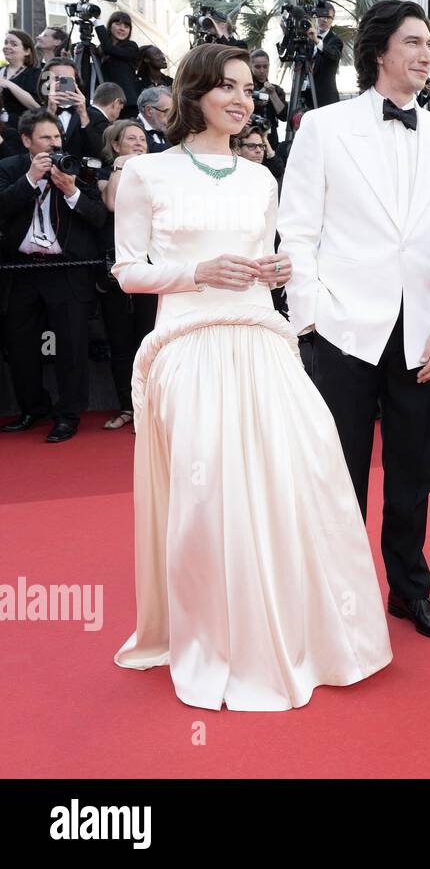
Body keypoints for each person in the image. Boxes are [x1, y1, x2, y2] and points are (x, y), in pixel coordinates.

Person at [110, 42, 391, 710]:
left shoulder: (262, 179)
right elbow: (126, 272)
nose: (241, 98)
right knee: (209, 496)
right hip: (188, 344)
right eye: (226, 86)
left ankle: (305, 635)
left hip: (263, 343)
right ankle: (216, 641)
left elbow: (266, 259)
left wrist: (278, 271)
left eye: (246, 87)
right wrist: (196, 273)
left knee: (304, 478)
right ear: (194, 92)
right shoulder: (144, 174)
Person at [279, 0, 430, 643]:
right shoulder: (324, 128)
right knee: (340, 470)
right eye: (414, 42)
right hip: (342, 327)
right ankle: (337, 597)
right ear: (379, 51)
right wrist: (308, 320)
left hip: (420, 331)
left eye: (429, 44)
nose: (425, 54)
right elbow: (298, 231)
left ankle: (409, 593)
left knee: (414, 470)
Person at [0, 110, 109, 442]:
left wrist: (72, 191)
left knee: (72, 346)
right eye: (46, 138)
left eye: (57, 137)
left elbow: (100, 216)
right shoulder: (9, 168)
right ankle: (34, 408)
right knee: (20, 348)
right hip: (21, 271)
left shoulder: (75, 167)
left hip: (67, 271)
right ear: (26, 141)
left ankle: (68, 414)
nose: (54, 144)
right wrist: (30, 180)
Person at [95, 118, 157, 431]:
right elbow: (111, 203)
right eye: (130, 139)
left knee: (151, 340)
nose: (138, 143)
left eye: (142, 139)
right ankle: (127, 407)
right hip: (117, 272)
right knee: (120, 343)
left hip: (154, 269)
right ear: (116, 146)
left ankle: (152, 407)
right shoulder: (105, 175)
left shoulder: (159, 175)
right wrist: (121, 168)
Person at [95, 11, 141, 118]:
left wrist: (97, 21)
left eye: (126, 26)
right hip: (105, 102)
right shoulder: (101, 50)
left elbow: (109, 48)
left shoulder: (131, 47)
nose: (122, 28)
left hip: (127, 104)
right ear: (110, 26)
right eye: (118, 24)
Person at [0, 31, 41, 130]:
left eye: (13, 44)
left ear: (27, 51)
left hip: (21, 130)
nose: (7, 46)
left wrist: (9, 84)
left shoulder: (36, 74)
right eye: (6, 43)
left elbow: (37, 107)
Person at [248, 50, 286, 151]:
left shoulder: (277, 90)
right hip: (249, 136)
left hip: (271, 137)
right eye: (257, 67)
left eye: (265, 66)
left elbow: (284, 116)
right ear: (250, 66)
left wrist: (272, 94)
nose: (262, 70)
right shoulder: (246, 89)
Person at [305, 1, 342, 107]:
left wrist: (317, 41)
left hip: (326, 99)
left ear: (332, 20)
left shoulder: (335, 40)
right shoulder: (307, 36)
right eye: (322, 16)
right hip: (306, 97)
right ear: (315, 17)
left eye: (328, 17)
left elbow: (333, 55)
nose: (324, 20)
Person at [136, 87, 172, 152]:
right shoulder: (132, 129)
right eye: (167, 112)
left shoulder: (163, 128)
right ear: (149, 111)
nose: (171, 117)